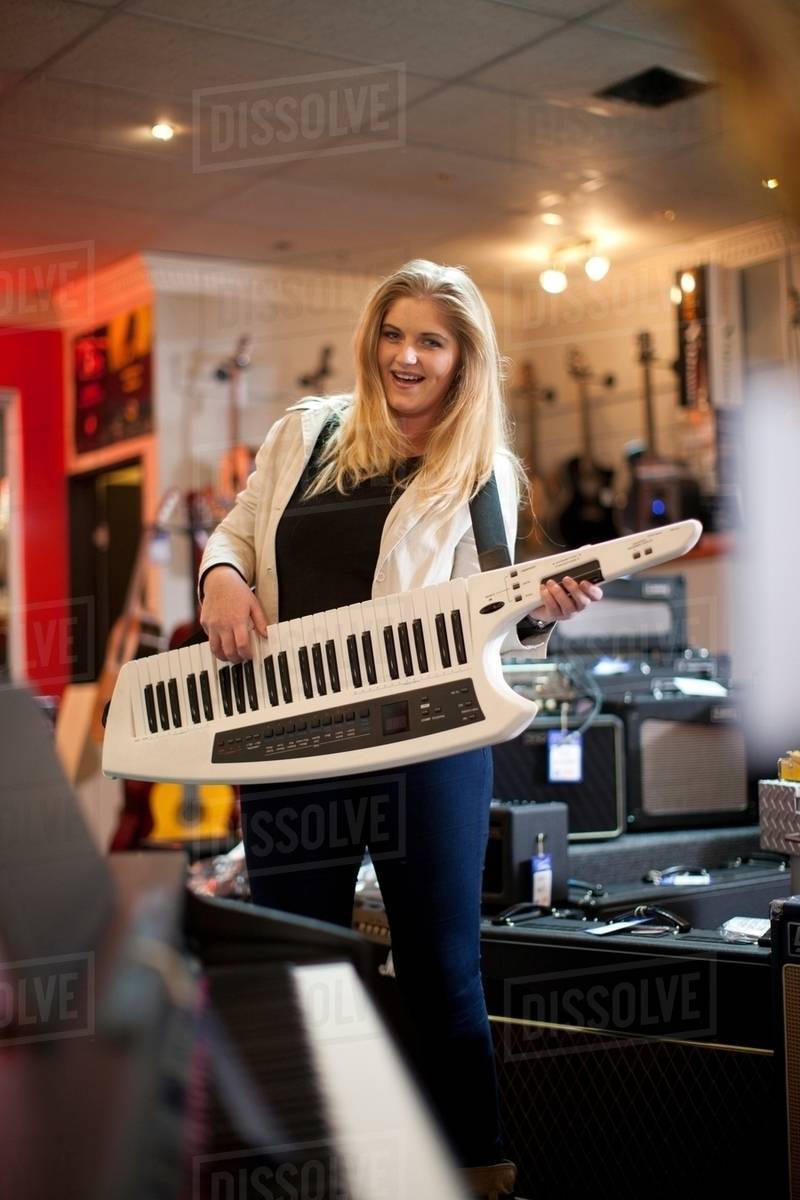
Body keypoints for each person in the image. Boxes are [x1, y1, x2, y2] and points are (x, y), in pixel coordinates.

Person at [198, 260, 603, 1197]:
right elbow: (238, 531)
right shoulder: (306, 431)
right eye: (394, 334)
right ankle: (299, 1165)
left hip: (429, 741)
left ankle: (474, 1168)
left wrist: (543, 606)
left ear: (464, 360)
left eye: (431, 340)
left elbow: (494, 605)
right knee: (294, 965)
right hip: (290, 737)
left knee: (440, 971)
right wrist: (222, 577)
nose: (406, 356)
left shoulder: (484, 471)